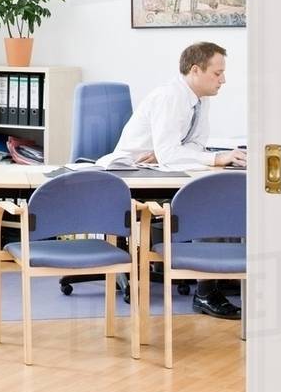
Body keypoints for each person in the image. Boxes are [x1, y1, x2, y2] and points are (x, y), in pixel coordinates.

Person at [101, 41, 247, 319]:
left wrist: (198, 156)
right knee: (210, 200)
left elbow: (193, 147)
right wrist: (214, 159)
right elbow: (171, 154)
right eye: (217, 73)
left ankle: (210, 284)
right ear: (195, 70)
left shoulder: (199, 100)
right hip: (131, 175)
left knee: (218, 192)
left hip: (164, 170)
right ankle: (206, 291)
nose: (223, 80)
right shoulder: (171, 96)